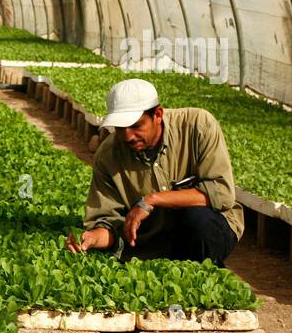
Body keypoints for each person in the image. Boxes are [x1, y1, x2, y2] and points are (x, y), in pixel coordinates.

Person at [65, 78, 243, 266]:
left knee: (198, 220)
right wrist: (92, 238)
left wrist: (151, 200)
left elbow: (222, 193)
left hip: (209, 229)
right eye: (120, 128)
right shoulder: (107, 156)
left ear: (157, 115)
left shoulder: (198, 126)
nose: (128, 136)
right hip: (152, 240)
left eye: (135, 126)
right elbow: (109, 222)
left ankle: (205, 274)